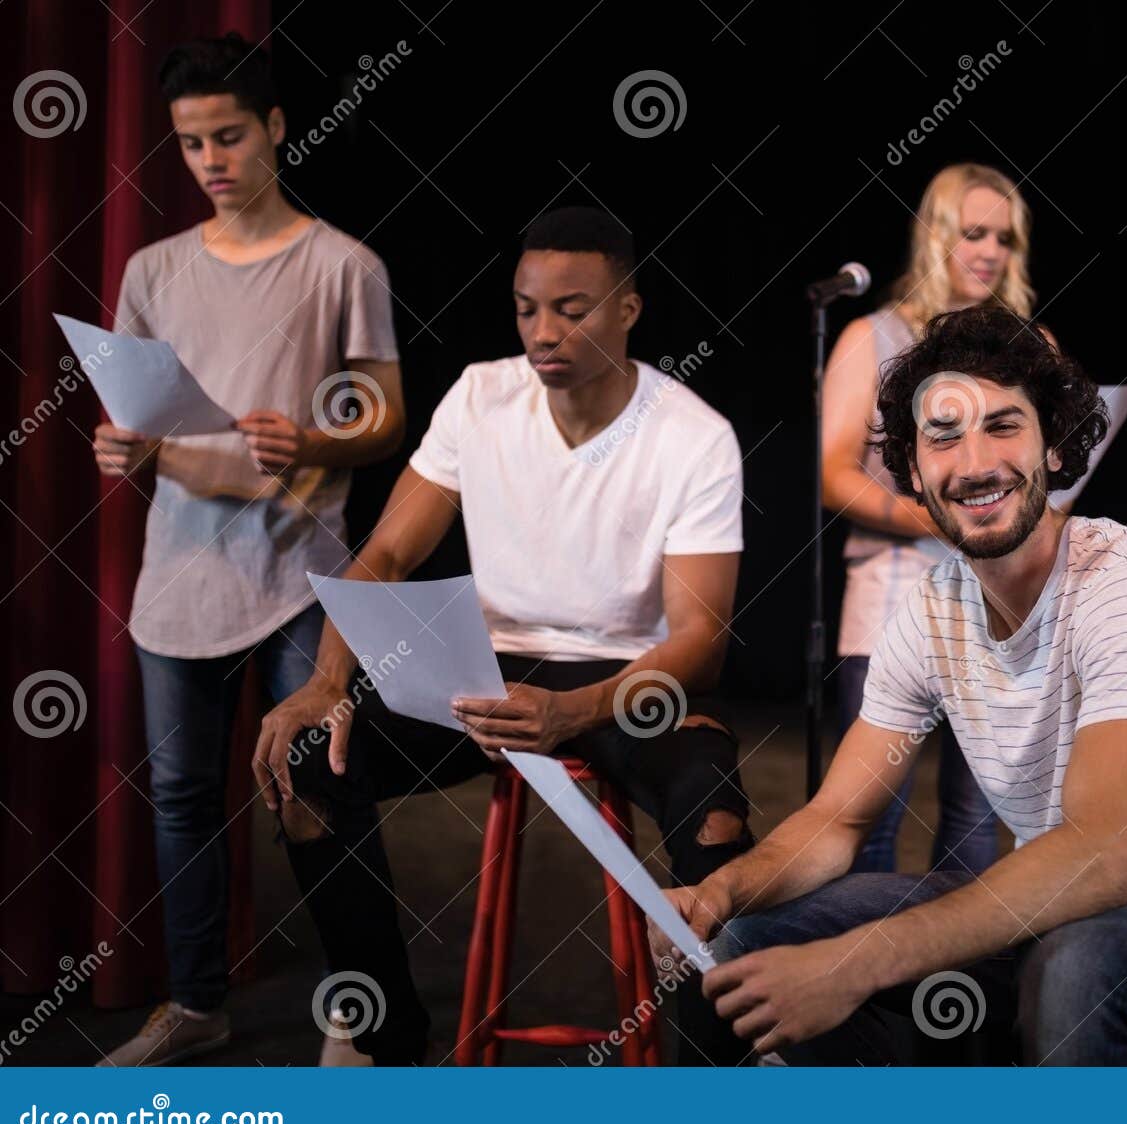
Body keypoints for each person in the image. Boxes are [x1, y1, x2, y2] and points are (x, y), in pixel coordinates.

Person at [655, 306, 1127, 1065]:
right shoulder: (933, 609)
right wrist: (721, 892)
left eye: (1003, 425)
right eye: (944, 435)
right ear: (914, 470)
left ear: (1057, 448)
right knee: (748, 941)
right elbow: (836, 820)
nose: (975, 463)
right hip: (1051, 905)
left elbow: (1104, 857)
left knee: (1079, 967)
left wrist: (857, 961)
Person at [253, 207, 755, 1066]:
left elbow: (699, 645)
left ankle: (725, 1069)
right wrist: (326, 679)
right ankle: (383, 1038)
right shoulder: (481, 395)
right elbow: (386, 552)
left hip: (624, 677)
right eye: (526, 308)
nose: (542, 331)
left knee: (712, 813)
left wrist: (572, 711)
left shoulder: (694, 435)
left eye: (571, 307)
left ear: (629, 309)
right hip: (488, 665)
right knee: (311, 760)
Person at [94, 33, 404, 1067]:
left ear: (275, 129)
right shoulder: (152, 268)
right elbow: (134, 421)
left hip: (298, 572)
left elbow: (389, 418)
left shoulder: (343, 262)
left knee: (317, 786)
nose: (211, 160)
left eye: (228, 135)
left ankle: (362, 1012)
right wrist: (119, 447)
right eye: (190, 144)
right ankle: (196, 1002)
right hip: (177, 573)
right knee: (182, 798)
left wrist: (319, 437)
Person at [822, 163, 1049, 875]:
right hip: (893, 599)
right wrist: (932, 518)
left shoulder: (1029, 350)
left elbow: (1056, 477)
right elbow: (833, 472)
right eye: (972, 233)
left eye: (1004, 238)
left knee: (977, 820)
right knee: (869, 819)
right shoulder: (874, 336)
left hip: (998, 607)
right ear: (936, 236)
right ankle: (862, 980)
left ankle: (961, 985)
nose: (989, 251)